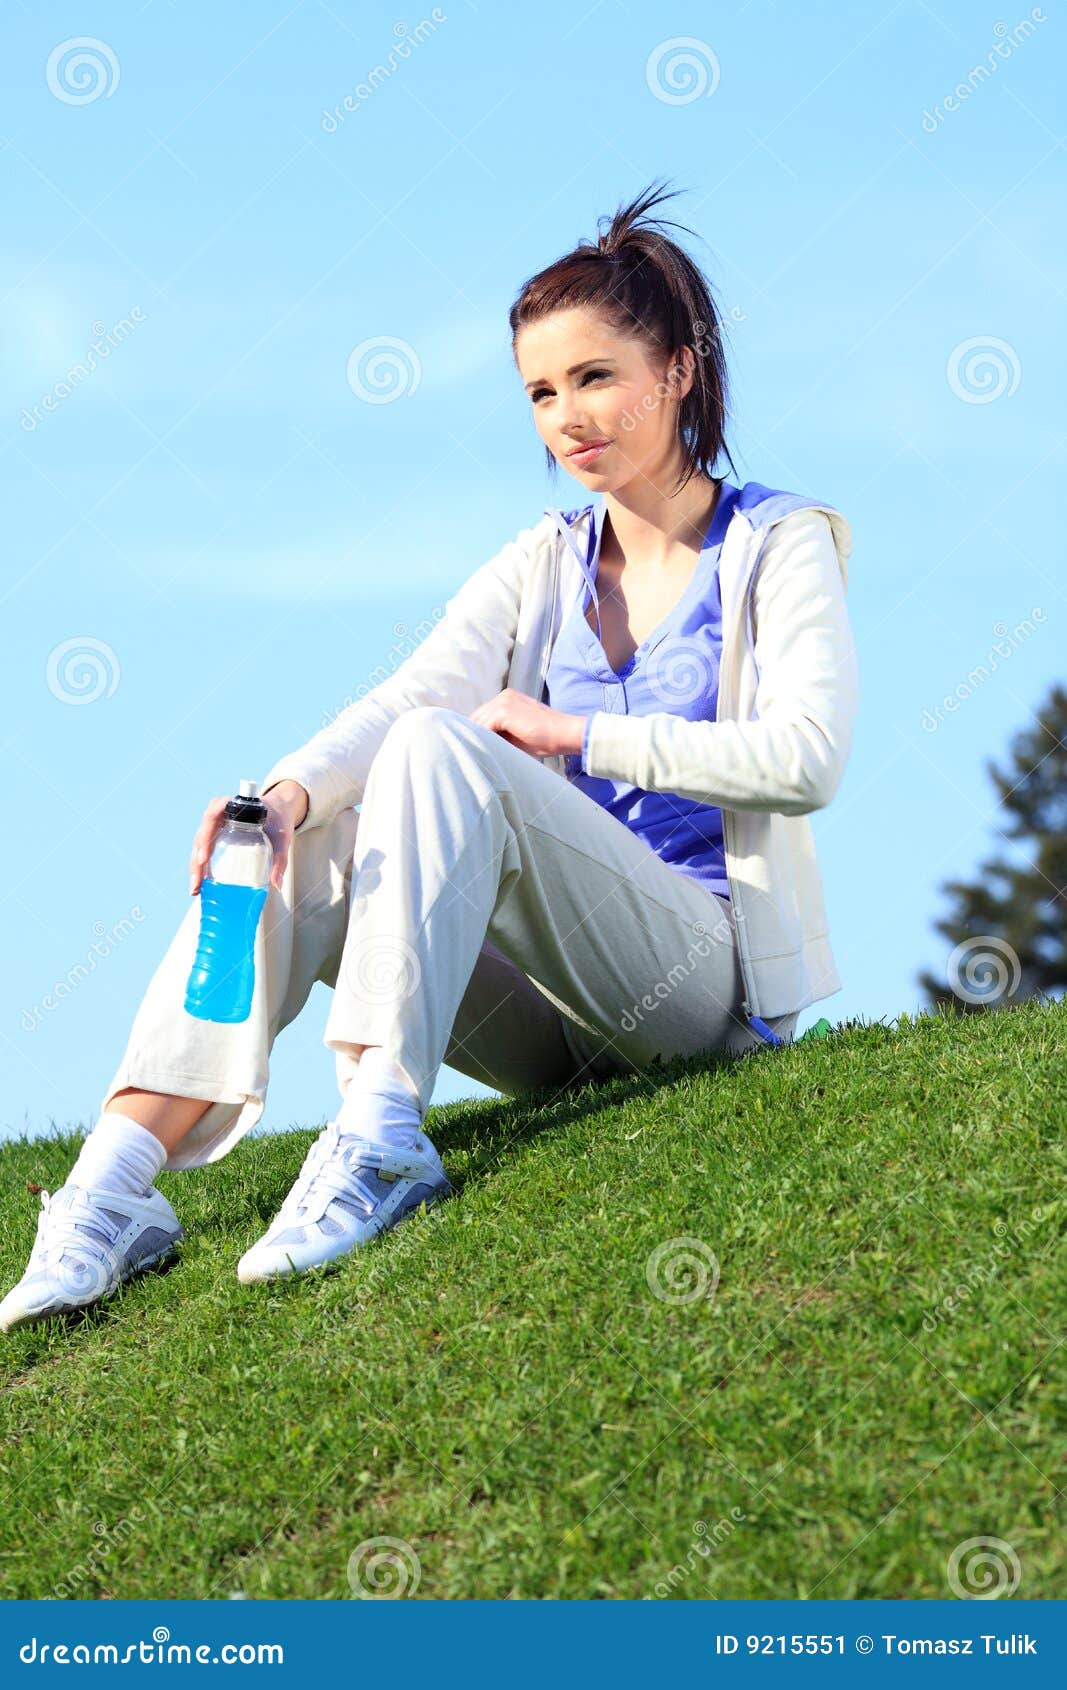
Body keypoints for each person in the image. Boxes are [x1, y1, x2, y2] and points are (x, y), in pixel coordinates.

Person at [0, 179, 857, 1332]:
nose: (567, 416)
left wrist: (572, 733)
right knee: (305, 831)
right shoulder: (543, 559)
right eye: (541, 391)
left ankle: (380, 1132)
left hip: (697, 990)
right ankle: (112, 1192)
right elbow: (411, 692)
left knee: (442, 750)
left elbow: (807, 758)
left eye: (595, 377)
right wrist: (283, 795)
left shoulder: (776, 544)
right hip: (552, 1015)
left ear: (677, 371)